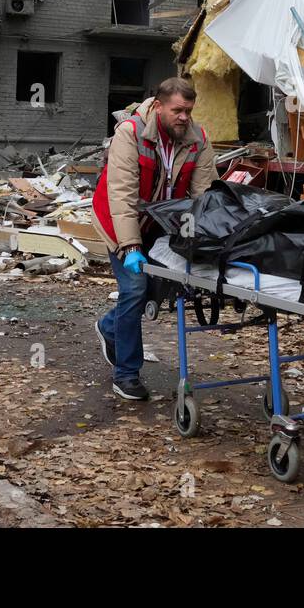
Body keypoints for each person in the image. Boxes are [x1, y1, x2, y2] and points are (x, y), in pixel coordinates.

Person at [90, 77, 215, 401]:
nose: (184, 117)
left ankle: (109, 326)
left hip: (161, 224)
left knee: (157, 289)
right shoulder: (130, 134)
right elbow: (121, 194)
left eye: (189, 110)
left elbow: (205, 195)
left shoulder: (198, 139)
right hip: (118, 220)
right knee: (134, 289)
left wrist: (213, 238)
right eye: (178, 110)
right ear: (158, 106)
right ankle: (127, 374)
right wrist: (130, 246)